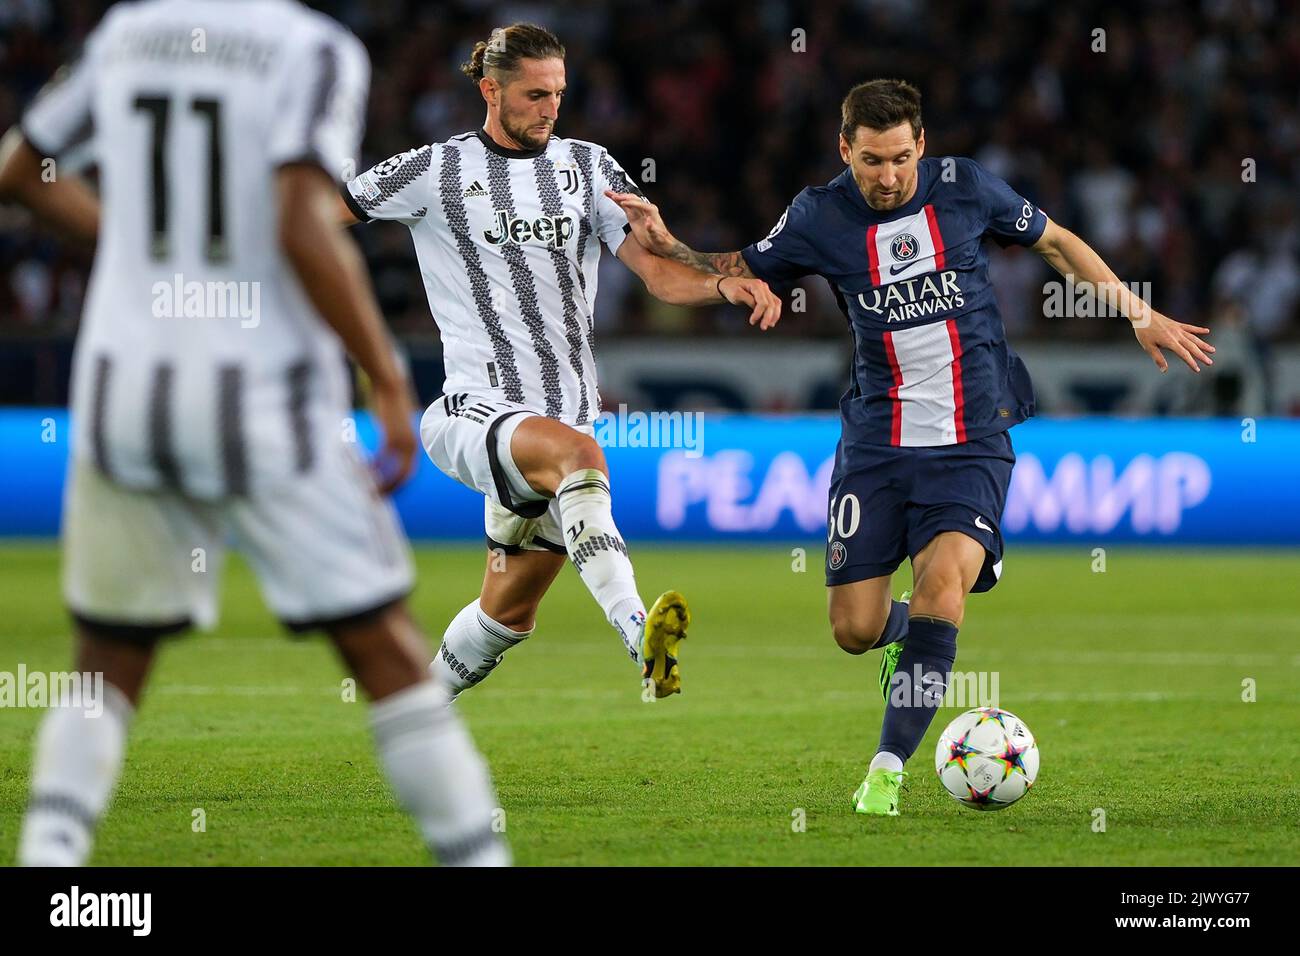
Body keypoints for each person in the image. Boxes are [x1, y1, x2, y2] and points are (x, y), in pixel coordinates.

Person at [609, 78, 1213, 814]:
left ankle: (886, 770)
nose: (888, 177)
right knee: (853, 630)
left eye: (899, 158)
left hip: (972, 440)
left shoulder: (964, 187)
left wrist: (1137, 312)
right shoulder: (819, 216)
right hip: (876, 445)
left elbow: (1054, 241)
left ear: (920, 146)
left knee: (942, 590)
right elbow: (733, 265)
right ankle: (905, 632)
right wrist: (668, 244)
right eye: (870, 161)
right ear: (845, 150)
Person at [0, 0, 507, 866]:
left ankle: (51, 868)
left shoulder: (129, 33)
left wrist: (138, 242)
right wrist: (384, 375)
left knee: (109, 660)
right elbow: (298, 217)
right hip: (260, 391)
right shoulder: (310, 49)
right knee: (383, 649)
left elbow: (21, 168)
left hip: (123, 387)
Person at [338, 23, 781, 701]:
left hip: (562, 416)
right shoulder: (435, 169)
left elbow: (657, 272)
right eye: (535, 94)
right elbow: (324, 211)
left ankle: (411, 716)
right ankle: (642, 639)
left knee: (506, 616)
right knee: (581, 456)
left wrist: (720, 280)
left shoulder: (590, 167)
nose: (550, 108)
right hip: (474, 409)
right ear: (490, 89)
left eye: (559, 93)